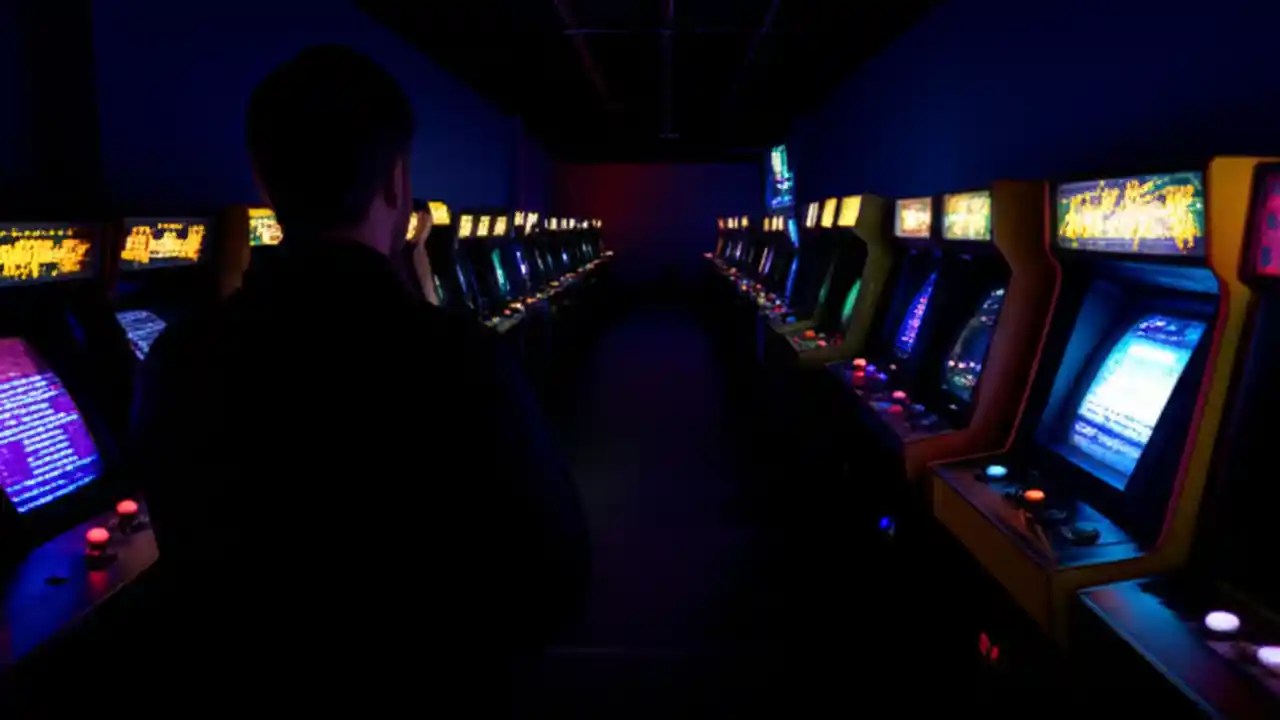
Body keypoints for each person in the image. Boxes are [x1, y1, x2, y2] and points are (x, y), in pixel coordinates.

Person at [133, 45, 588, 709]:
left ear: (264, 183)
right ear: (396, 183)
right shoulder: (457, 356)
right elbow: (554, 575)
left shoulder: (177, 359)